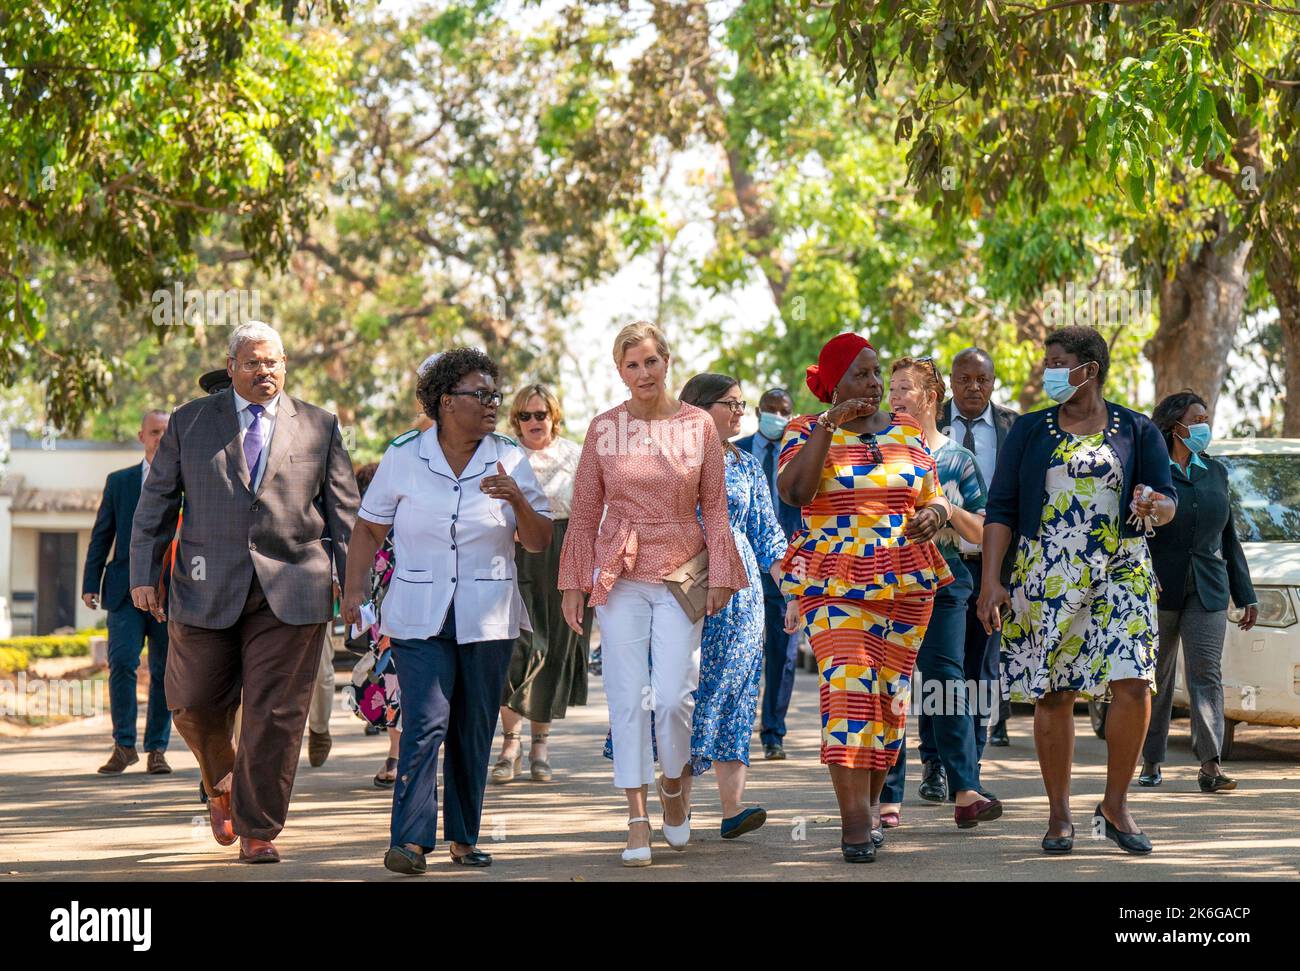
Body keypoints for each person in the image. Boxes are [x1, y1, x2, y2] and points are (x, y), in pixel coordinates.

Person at [130, 320, 359, 864]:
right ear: (231, 367)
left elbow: (344, 512)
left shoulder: (319, 425)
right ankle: (220, 783)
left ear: (286, 366)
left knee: (275, 714)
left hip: (295, 588)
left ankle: (259, 829)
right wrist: (143, 572)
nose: (266, 371)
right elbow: (156, 503)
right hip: (205, 585)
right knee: (189, 699)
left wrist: (355, 588)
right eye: (254, 362)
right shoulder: (190, 422)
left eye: (274, 361)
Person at [343, 347, 553, 874]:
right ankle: (410, 842)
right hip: (418, 613)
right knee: (426, 721)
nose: (490, 404)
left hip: (488, 613)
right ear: (444, 402)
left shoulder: (509, 456)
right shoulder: (404, 455)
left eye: (493, 395)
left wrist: (518, 501)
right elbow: (369, 528)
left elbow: (538, 540)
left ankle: (464, 838)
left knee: (474, 726)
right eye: (478, 395)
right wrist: (353, 591)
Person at [978, 325, 1176, 856]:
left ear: (1090, 369)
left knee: (1134, 680)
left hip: (1122, 568)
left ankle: (1115, 805)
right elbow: (1000, 509)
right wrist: (991, 581)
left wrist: (1153, 505)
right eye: (1048, 362)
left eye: (1059, 362)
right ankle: (1060, 813)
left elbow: (1166, 500)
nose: (1050, 372)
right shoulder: (1029, 430)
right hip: (1048, 573)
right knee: (1055, 690)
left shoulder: (1137, 428)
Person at [558, 321, 747, 867]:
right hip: (618, 573)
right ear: (620, 372)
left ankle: (672, 784)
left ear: (668, 362)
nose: (643, 373)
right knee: (626, 694)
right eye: (631, 365)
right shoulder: (603, 429)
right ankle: (637, 817)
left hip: (682, 570)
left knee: (671, 695)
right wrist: (573, 582)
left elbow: (714, 508)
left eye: (651, 362)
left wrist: (721, 575)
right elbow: (586, 512)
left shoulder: (698, 428)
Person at [777, 333, 954, 863]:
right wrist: (828, 426)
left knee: (888, 703)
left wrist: (936, 515)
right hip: (833, 583)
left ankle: (874, 808)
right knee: (849, 689)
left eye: (876, 373)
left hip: (905, 581)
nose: (874, 384)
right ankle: (853, 824)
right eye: (860, 374)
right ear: (834, 384)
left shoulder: (908, 433)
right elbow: (796, 493)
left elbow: (933, 494)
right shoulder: (805, 430)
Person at [661, 373, 787, 838]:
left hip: (743, 598)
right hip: (681, 593)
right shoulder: (670, 462)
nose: (740, 411)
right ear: (696, 408)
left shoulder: (748, 465)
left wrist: (790, 590)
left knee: (735, 694)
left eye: (741, 403)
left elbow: (768, 534)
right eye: (729, 404)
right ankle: (678, 803)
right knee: (685, 695)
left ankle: (732, 808)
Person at [879, 358, 1001, 829]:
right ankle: (887, 798)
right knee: (891, 687)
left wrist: (946, 509)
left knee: (945, 681)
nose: (894, 397)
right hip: (887, 583)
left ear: (931, 398)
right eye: (892, 389)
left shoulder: (956, 459)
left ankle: (965, 789)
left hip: (947, 583)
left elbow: (985, 527)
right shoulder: (878, 450)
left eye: (905, 388)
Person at [1140, 391, 1258, 792]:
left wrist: (1246, 594)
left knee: (1207, 673)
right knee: (1156, 675)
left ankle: (1210, 765)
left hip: (1209, 587)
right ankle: (1150, 760)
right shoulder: (1152, 471)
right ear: (1176, 426)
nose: (1204, 426)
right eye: (1197, 419)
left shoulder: (1215, 472)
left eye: (1207, 418)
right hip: (1159, 586)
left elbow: (1229, 536)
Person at [491, 384, 591, 784]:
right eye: (525, 416)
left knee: (554, 647)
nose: (534, 422)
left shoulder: (575, 455)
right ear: (515, 421)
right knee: (516, 647)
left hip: (563, 553)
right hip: (513, 552)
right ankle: (510, 743)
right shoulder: (502, 455)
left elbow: (589, 512)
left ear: (554, 416)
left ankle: (540, 747)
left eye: (541, 415)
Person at [83, 410, 175, 776]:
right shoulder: (120, 482)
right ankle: (124, 745)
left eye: (167, 432)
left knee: (165, 670)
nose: (161, 439)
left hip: (170, 592)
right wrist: (91, 582)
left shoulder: (190, 482)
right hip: (123, 590)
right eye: (154, 432)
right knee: (121, 662)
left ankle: (157, 749)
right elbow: (101, 534)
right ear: (141, 436)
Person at [941, 347, 1020, 767]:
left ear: (993, 382)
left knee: (984, 671)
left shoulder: (1014, 428)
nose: (974, 387)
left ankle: (970, 763)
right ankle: (936, 763)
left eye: (982, 380)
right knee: (941, 670)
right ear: (951, 381)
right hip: (942, 565)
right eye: (964, 378)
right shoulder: (925, 423)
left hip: (995, 569)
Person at [734, 388, 803, 760]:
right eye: (771, 410)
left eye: (785, 411)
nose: (778, 416)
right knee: (742, 652)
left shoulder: (800, 454)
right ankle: (738, 728)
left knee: (784, 654)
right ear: (759, 412)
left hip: (787, 565)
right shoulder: (737, 450)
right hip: (742, 563)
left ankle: (773, 733)